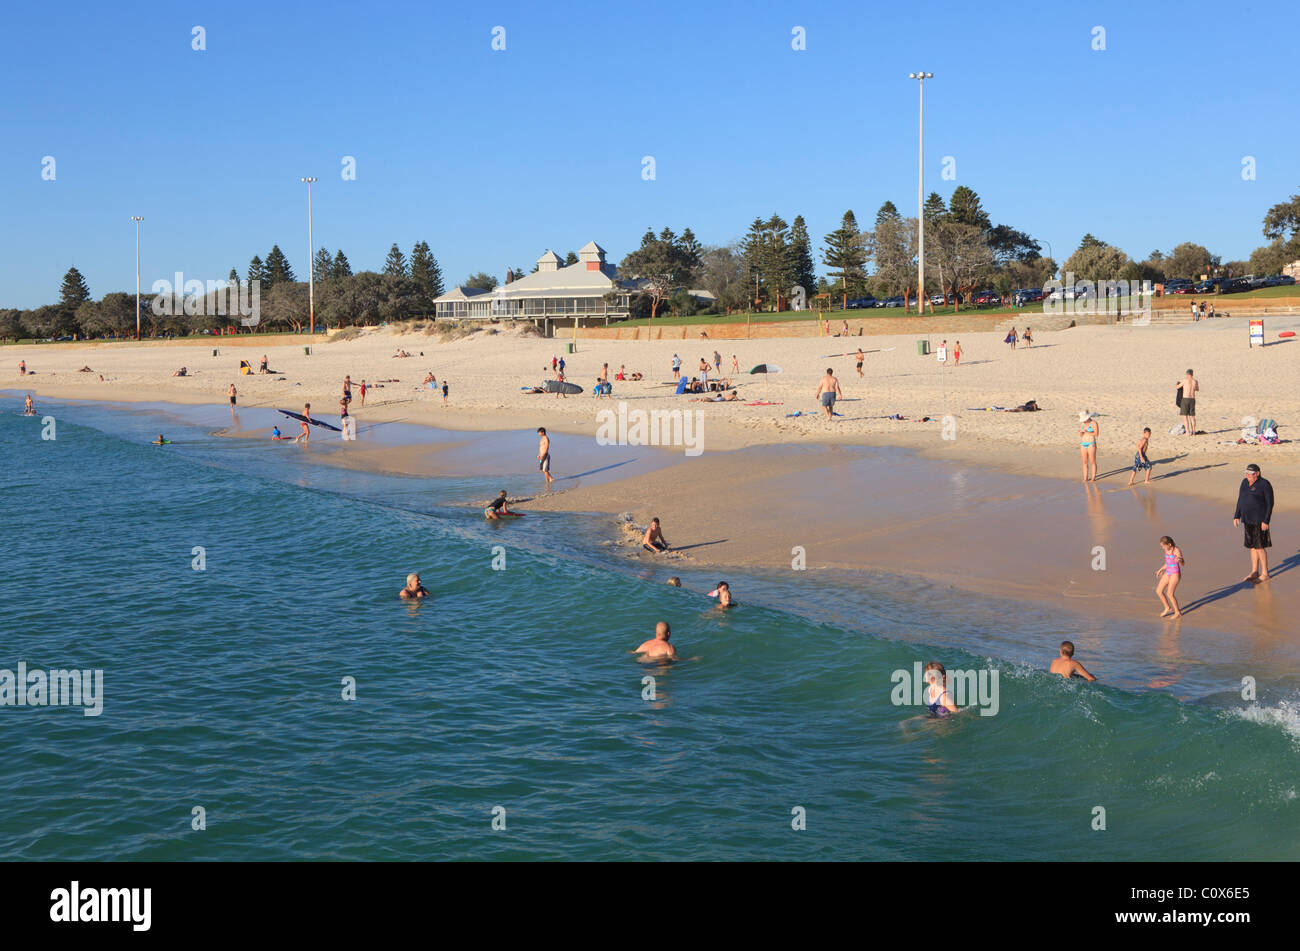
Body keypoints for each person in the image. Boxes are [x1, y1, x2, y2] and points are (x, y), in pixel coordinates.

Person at [1234, 463, 1274, 582]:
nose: (1248, 475)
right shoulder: (1244, 482)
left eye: (1250, 474)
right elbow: (1240, 499)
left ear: (1257, 473)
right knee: (1252, 547)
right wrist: (1237, 515)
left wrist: (1266, 520)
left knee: (1259, 547)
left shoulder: (1264, 484)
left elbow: (1270, 504)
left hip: (1259, 521)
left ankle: (1265, 573)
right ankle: (1254, 571)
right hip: (1247, 519)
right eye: (1246, 473)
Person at [1155, 535, 1185, 618]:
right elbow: (1168, 563)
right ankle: (1167, 608)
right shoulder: (1166, 550)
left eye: (1163, 546)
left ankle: (1177, 612)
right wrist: (1160, 569)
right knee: (1158, 591)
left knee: (1170, 594)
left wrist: (1180, 560)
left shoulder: (1176, 550)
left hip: (1175, 573)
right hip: (1168, 572)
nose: (1163, 548)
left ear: (1169, 544)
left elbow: (1183, 563)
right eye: (1162, 546)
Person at [1176, 368, 1198, 437]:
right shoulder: (1195, 381)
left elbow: (1177, 387)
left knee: (1184, 416)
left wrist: (1177, 384)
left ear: (1187, 374)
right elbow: (1197, 389)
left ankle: (1188, 432)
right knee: (1192, 416)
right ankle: (1194, 432)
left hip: (1185, 399)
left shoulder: (1185, 380)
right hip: (1192, 399)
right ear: (1192, 374)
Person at [1078, 411, 1099, 482]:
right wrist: (1081, 432)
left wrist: (1086, 431)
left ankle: (1093, 477)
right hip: (1083, 443)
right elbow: (1081, 435)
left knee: (1092, 461)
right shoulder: (1082, 424)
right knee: (1084, 462)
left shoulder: (1093, 423)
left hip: (1091, 443)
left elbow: (1096, 434)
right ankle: (1085, 477)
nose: (1084, 421)